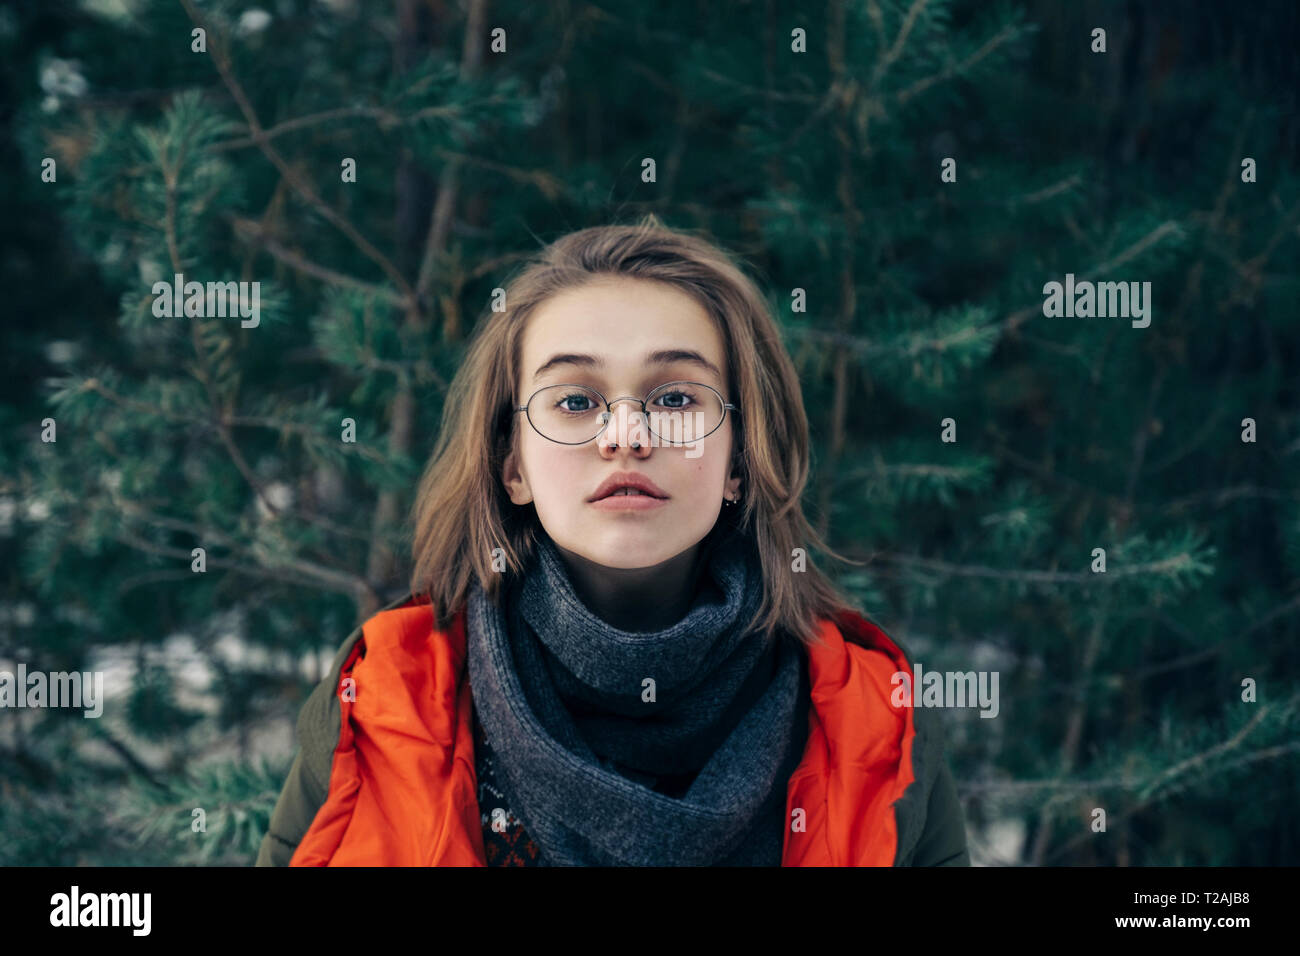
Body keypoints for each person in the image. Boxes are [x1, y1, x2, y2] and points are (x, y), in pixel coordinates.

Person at [256, 217, 970, 867]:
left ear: (742, 460)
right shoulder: (387, 703)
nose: (626, 435)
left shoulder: (874, 723)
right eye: (575, 400)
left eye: (675, 399)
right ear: (512, 466)